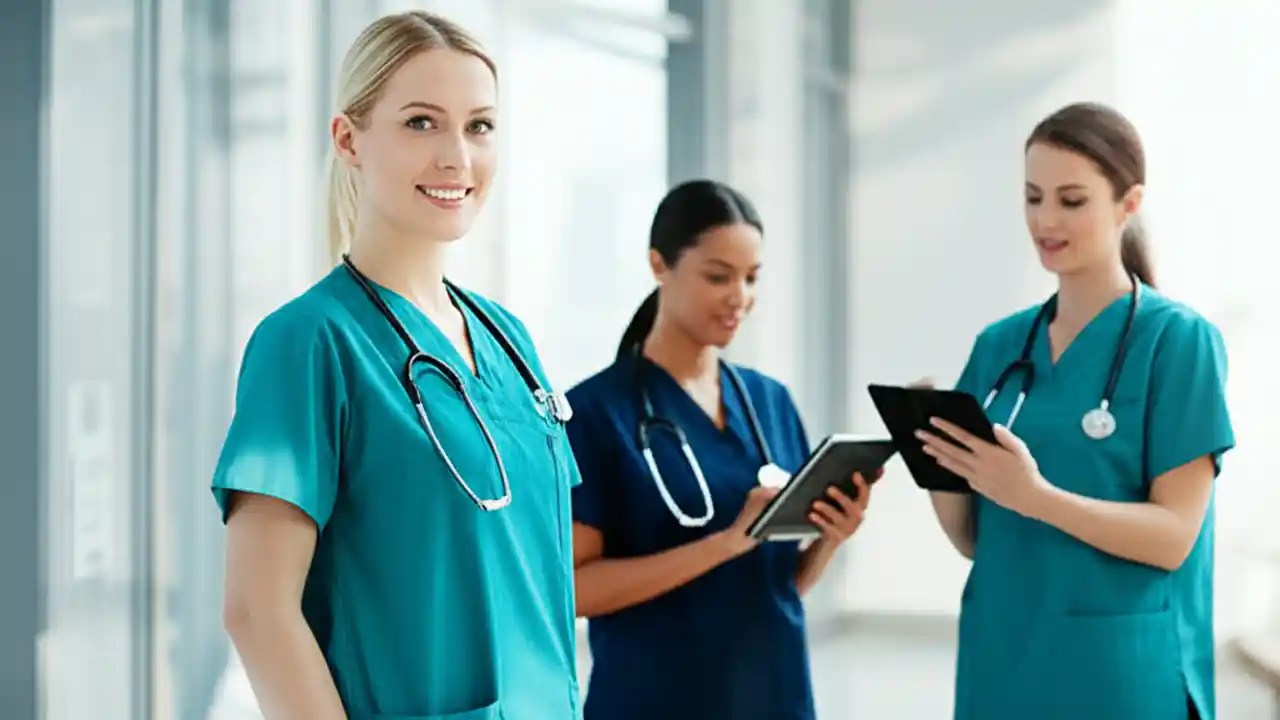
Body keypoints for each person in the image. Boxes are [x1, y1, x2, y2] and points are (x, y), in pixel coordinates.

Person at [213, 12, 581, 720]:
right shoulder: (310, 343)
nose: (457, 157)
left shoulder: (509, 340)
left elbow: (535, 572)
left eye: (479, 126)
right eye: (420, 123)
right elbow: (257, 612)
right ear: (348, 139)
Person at [921, 102, 1234, 720]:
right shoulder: (1000, 346)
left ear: (1129, 203)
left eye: (1071, 200)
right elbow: (974, 539)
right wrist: (934, 456)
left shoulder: (1177, 342)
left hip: (1119, 670)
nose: (1044, 220)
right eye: (1032, 197)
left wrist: (1033, 494)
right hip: (1003, 657)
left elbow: (1173, 538)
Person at [566, 179, 874, 720]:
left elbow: (780, 586)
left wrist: (829, 539)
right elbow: (574, 591)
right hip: (655, 701)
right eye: (718, 276)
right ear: (659, 265)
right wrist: (726, 543)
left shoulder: (769, 402)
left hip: (776, 696)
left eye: (752, 278)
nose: (740, 298)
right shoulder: (595, 414)